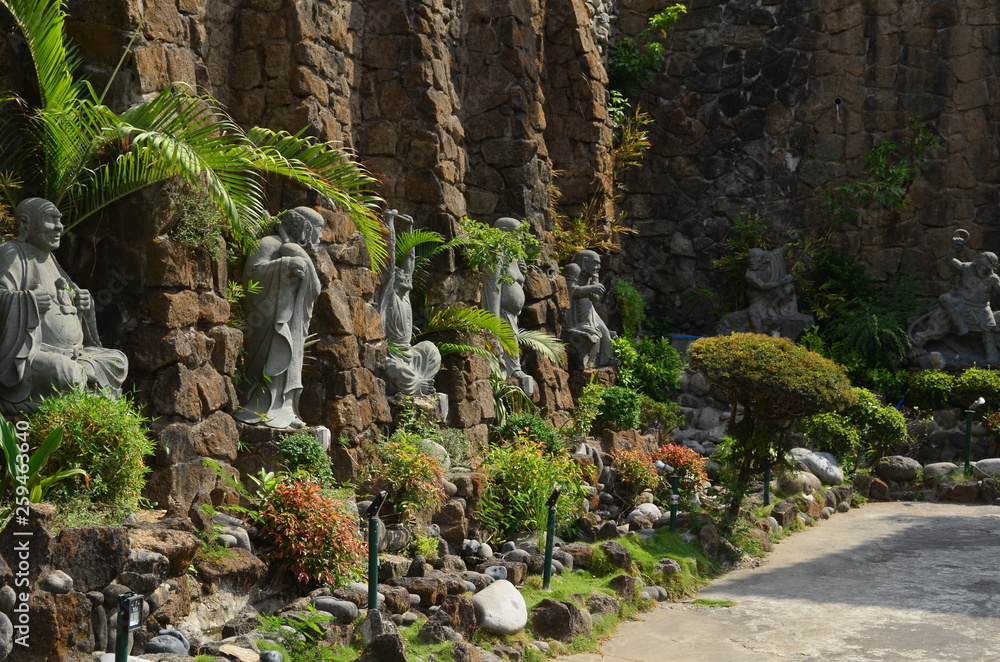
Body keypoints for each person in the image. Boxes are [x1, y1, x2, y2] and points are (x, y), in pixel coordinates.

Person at [0, 197, 127, 413]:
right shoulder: (12, 253)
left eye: (60, 220)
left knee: (117, 361)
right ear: (25, 223)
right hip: (35, 354)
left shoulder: (51, 259)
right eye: (50, 219)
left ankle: (84, 374)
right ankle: (80, 379)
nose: (59, 227)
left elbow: (69, 306)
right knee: (65, 373)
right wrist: (27, 300)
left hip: (75, 352)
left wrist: (85, 307)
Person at [235, 207, 323, 429]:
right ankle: (260, 407)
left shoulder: (292, 249)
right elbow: (251, 276)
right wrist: (285, 265)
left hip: (291, 320)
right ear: (305, 228)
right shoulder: (269, 244)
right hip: (267, 320)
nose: (320, 237)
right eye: (318, 231)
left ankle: (285, 409)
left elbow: (314, 290)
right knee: (267, 361)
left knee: (291, 360)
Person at [379, 209, 441, 395]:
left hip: (408, 354)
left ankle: (420, 381)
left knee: (431, 350)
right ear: (394, 280)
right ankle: (419, 385)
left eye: (408, 275)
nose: (407, 276)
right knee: (397, 370)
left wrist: (409, 229)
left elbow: (410, 260)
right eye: (402, 275)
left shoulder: (405, 295)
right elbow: (390, 259)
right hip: (393, 355)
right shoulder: (391, 295)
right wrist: (390, 221)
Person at [914, 230, 1000, 364]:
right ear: (976, 262)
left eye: (988, 269)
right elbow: (948, 260)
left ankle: (992, 357)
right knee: (945, 300)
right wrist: (954, 248)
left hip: (982, 309)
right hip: (961, 305)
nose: (984, 271)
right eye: (983, 267)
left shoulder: (993, 280)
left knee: (988, 329)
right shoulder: (966, 269)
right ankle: (918, 343)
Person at [480, 217, 527, 379]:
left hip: (512, 314)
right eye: (518, 234)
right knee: (508, 338)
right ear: (505, 233)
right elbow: (493, 290)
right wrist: (493, 326)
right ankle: (510, 369)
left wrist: (522, 270)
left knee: (513, 337)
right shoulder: (496, 254)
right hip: (501, 312)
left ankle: (514, 367)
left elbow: (518, 283)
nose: (521, 239)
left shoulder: (513, 256)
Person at [565, 249, 616, 368]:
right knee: (584, 300)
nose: (598, 267)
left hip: (589, 310)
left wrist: (595, 280)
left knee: (605, 333)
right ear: (584, 261)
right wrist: (592, 288)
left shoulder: (591, 275)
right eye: (595, 263)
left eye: (599, 264)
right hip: (572, 311)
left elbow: (596, 299)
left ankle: (605, 360)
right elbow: (570, 291)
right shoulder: (574, 268)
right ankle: (584, 326)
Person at [745, 246, 798, 333]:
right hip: (760, 300)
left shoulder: (772, 260)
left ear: (762, 258)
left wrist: (793, 238)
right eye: (749, 258)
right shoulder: (750, 275)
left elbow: (786, 248)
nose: (751, 260)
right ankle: (758, 337)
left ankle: (775, 305)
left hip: (776, 296)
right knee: (752, 313)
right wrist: (781, 282)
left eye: (755, 257)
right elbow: (762, 286)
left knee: (789, 288)